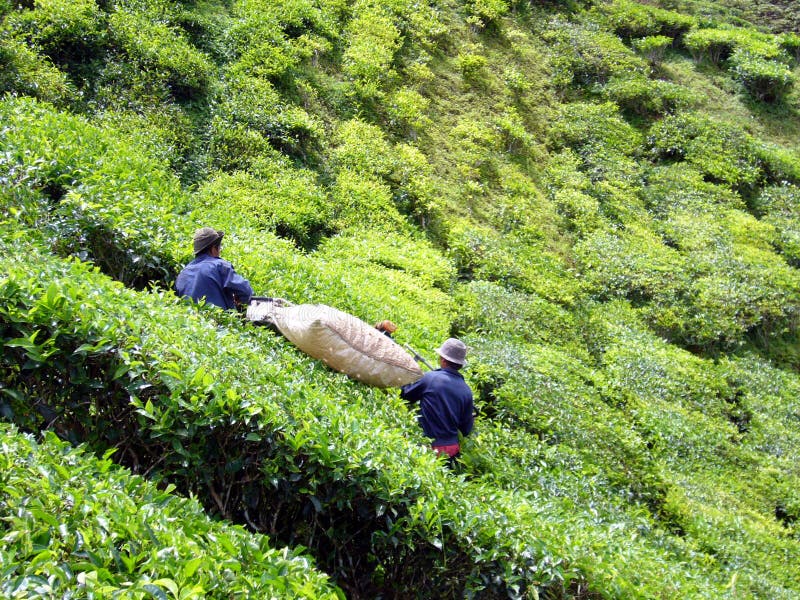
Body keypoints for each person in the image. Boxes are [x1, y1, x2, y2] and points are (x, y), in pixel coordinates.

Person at [400, 338, 474, 460]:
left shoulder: (430, 378)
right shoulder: (467, 391)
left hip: (429, 447)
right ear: (460, 364)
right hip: (452, 450)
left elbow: (405, 395)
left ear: (443, 360)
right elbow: (466, 430)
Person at [175, 227, 253, 310]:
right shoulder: (220, 266)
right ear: (213, 248)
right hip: (217, 321)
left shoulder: (183, 273)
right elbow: (247, 292)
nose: (220, 251)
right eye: (219, 248)